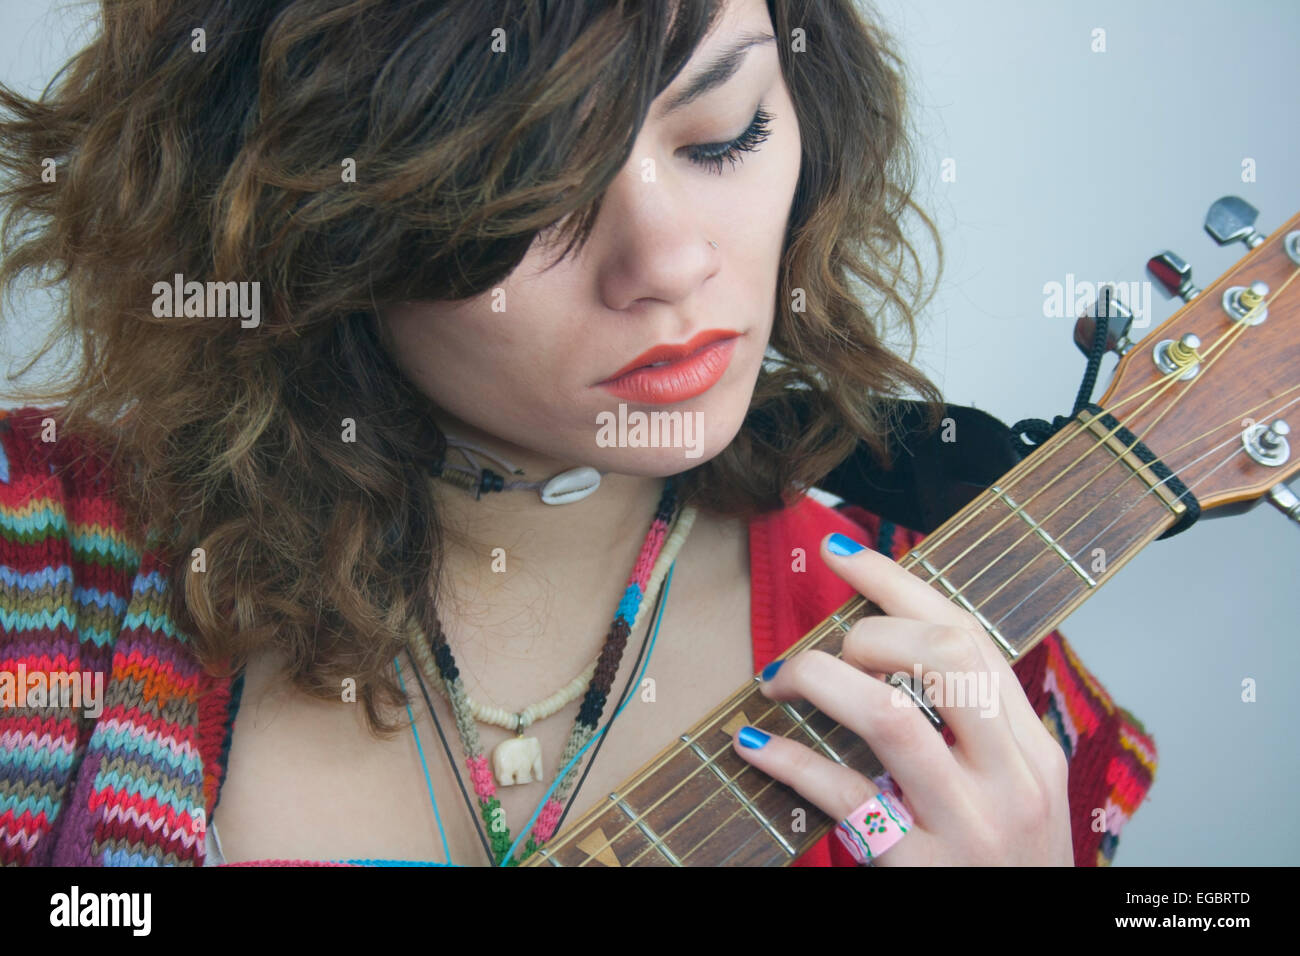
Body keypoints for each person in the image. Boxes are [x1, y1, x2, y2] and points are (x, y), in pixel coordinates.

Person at [0, 0, 1155, 867]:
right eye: (525, 189)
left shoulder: (951, 641)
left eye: (723, 136)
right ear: (296, 219)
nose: (669, 263)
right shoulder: (33, 552)